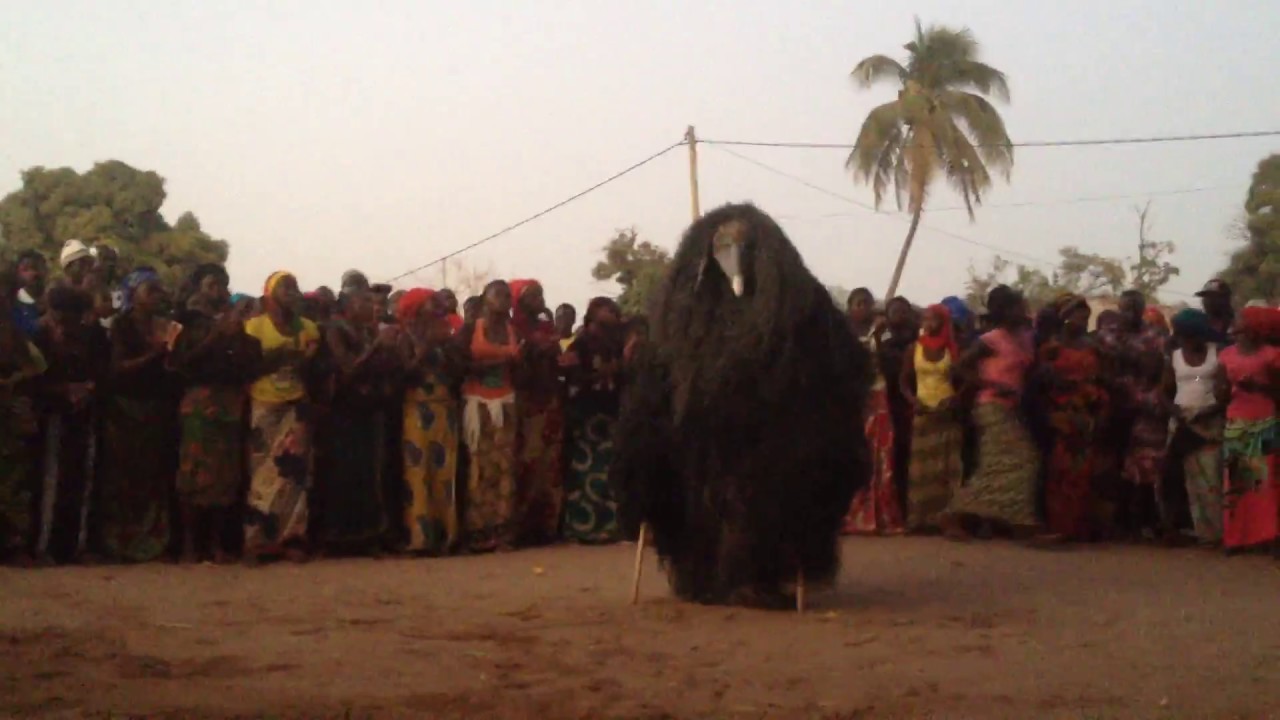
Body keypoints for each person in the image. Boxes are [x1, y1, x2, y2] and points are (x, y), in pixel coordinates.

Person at [170, 264, 259, 563]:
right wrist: (217, 336)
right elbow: (179, 362)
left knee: (226, 475)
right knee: (193, 474)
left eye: (223, 285)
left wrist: (239, 333)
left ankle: (220, 544)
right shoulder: (183, 322)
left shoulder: (233, 323)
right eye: (212, 285)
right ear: (198, 289)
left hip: (229, 402)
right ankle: (192, 545)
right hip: (199, 400)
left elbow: (250, 362)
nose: (219, 291)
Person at [940, 286, 1040, 539]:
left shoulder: (1025, 337)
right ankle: (956, 513)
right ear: (1003, 310)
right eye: (1017, 306)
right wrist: (992, 384)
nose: (1023, 310)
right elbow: (958, 368)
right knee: (1021, 460)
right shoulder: (991, 339)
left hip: (1013, 407)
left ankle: (1013, 518)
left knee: (1004, 463)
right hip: (991, 405)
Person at [96, 267, 178, 563]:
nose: (157, 296)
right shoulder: (122, 325)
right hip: (126, 405)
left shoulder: (164, 325)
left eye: (158, 290)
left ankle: (153, 541)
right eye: (150, 290)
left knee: (152, 474)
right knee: (123, 474)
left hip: (156, 404)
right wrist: (153, 355)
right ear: (134, 294)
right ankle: (119, 542)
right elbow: (117, 367)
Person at [242, 271, 320, 564]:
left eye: (294, 287)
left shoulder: (309, 329)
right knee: (262, 473)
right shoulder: (254, 327)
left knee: (295, 473)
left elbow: (311, 368)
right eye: (284, 287)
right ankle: (257, 539)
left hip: (296, 403)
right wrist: (282, 358)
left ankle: (292, 538)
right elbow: (248, 367)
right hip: (264, 402)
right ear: (269, 295)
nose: (292, 291)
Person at [316, 287, 397, 554]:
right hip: (343, 411)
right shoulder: (335, 330)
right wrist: (377, 347)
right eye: (364, 300)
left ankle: (365, 536)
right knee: (343, 472)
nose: (371, 305)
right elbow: (347, 368)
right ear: (348, 304)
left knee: (367, 473)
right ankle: (338, 538)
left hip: (368, 409)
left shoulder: (367, 331)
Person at [32, 286, 109, 563]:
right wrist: (65, 390)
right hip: (52, 412)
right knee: (51, 478)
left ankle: (69, 545)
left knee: (78, 478)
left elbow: (104, 372)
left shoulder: (93, 336)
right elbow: (32, 379)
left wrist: (89, 388)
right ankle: (45, 546)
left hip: (81, 412)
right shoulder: (40, 335)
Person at [1039, 294, 1109, 541]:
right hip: (1061, 411)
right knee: (1060, 468)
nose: (1082, 321)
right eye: (1078, 316)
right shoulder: (1052, 347)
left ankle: (1079, 526)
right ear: (1065, 317)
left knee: (1084, 469)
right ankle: (1059, 525)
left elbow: (1103, 378)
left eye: (1085, 317)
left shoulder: (1093, 347)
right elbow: (1042, 380)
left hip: (1088, 410)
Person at [398, 289, 464, 554]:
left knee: (445, 473)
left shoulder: (447, 335)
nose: (437, 305)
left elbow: (459, 372)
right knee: (418, 473)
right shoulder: (406, 336)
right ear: (416, 307)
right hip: (416, 409)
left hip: (444, 408)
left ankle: (447, 535)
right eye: (431, 302)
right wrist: (424, 350)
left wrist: (446, 347)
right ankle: (420, 536)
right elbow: (405, 375)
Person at [1215, 305, 1280, 553]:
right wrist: (1224, 391)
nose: (1237, 322)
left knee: (1264, 479)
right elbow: (1219, 390)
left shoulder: (1272, 355)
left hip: (1265, 419)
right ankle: (1236, 537)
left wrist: (1257, 388)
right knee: (1235, 479)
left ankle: (1265, 535)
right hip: (1237, 420)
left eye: (1243, 319)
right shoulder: (1227, 355)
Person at [461, 280, 520, 552]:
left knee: (505, 466)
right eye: (499, 294)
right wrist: (500, 362)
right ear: (486, 298)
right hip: (479, 402)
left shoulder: (511, 330)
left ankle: (501, 529)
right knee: (480, 466)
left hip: (505, 400)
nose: (505, 299)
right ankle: (478, 529)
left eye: (507, 295)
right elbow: (459, 364)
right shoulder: (471, 328)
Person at [562, 297, 624, 544]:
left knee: (610, 471)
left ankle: (609, 527)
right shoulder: (579, 346)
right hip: (586, 415)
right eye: (605, 311)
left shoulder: (617, 345)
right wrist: (606, 372)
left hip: (611, 414)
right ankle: (581, 528)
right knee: (584, 472)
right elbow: (573, 378)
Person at [843, 288, 905, 535]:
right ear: (849, 307)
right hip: (852, 399)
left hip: (877, 396)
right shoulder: (842, 332)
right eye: (858, 304)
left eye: (866, 303)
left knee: (880, 454)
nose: (863, 308)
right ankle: (851, 515)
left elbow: (891, 360)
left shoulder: (883, 332)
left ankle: (879, 515)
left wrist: (877, 341)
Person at [510, 279, 566, 546]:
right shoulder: (513, 329)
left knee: (550, 462)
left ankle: (548, 526)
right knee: (529, 461)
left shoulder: (548, 327)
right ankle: (524, 527)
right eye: (532, 295)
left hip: (550, 398)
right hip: (528, 401)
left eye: (541, 294)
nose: (539, 299)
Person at [899, 304, 963, 532]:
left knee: (946, 469)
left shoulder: (952, 350)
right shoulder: (913, 349)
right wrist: (913, 401)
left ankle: (946, 519)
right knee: (921, 469)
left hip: (946, 413)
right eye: (925, 319)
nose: (928, 323)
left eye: (933, 319)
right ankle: (920, 519)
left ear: (943, 322)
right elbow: (904, 381)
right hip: (923, 411)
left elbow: (966, 378)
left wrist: (956, 398)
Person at [0, 267, 46, 564]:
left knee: (14, 480)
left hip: (10, 405)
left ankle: (14, 544)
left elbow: (35, 366)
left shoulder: (11, 330)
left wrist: (12, 382)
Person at [1166, 309, 1224, 546]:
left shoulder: (1216, 354)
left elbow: (1223, 390)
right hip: (1182, 421)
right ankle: (1200, 531)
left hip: (1208, 421)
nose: (1187, 340)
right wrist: (1176, 413)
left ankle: (1217, 532)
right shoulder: (1175, 356)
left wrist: (1208, 411)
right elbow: (1164, 391)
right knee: (1187, 479)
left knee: (1210, 478)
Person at [1122, 347, 1172, 540]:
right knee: (1137, 486)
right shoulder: (1132, 386)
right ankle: (1138, 525)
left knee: (1156, 487)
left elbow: (1163, 413)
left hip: (1156, 441)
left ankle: (1157, 524)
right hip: (1137, 441)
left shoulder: (1164, 388)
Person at [12, 250, 46, 338]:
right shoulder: (14, 305)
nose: (33, 273)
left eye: (37, 267)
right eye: (26, 269)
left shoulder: (57, 298)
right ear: (18, 274)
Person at [1197, 279, 1234, 347]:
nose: (1208, 301)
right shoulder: (1199, 325)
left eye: (1212, 297)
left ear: (1225, 299)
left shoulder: (1237, 326)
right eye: (1205, 297)